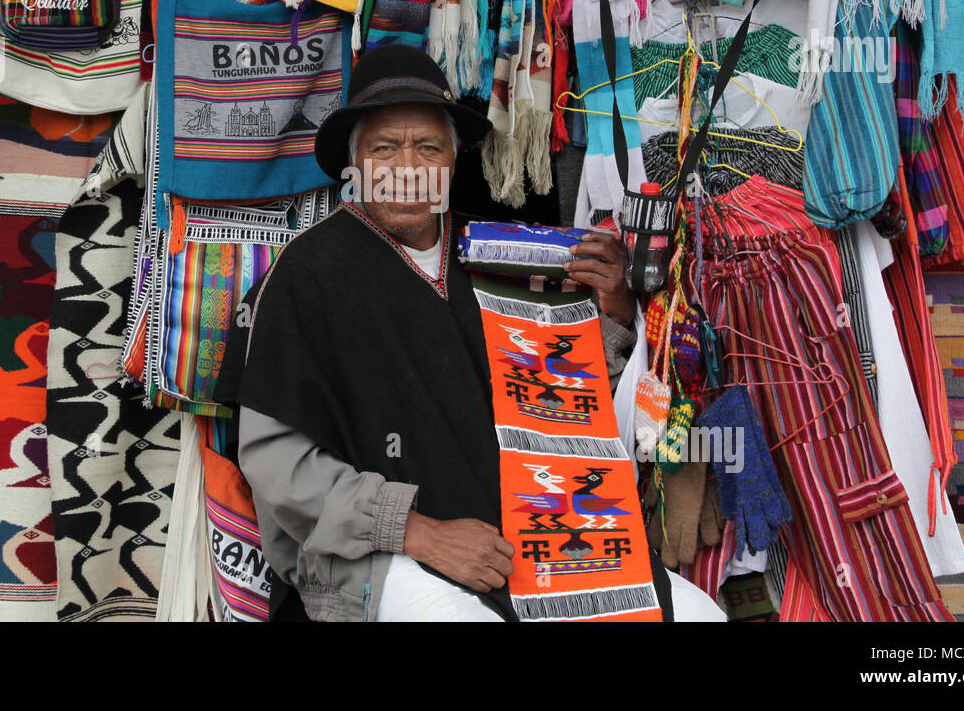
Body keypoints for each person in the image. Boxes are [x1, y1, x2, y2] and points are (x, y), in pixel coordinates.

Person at [213, 45, 660, 622]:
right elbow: (281, 466)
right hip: (374, 555)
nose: (407, 167)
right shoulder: (307, 276)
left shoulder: (503, 254)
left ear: (452, 162)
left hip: (534, 531)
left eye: (428, 147)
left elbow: (569, 400)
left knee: (693, 614)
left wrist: (614, 307)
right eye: (383, 148)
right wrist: (416, 531)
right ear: (355, 166)